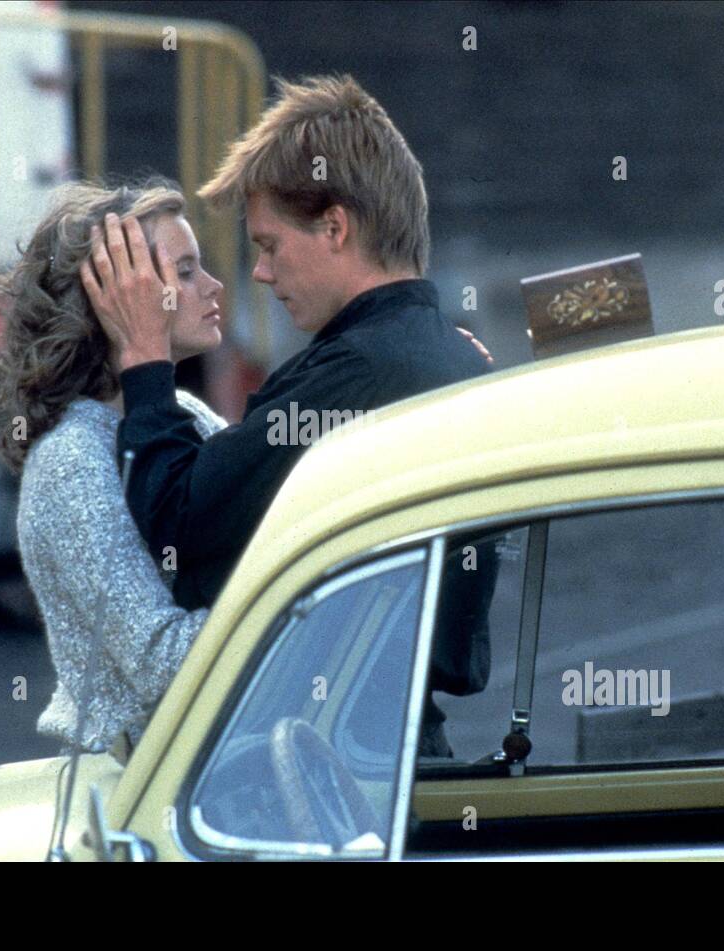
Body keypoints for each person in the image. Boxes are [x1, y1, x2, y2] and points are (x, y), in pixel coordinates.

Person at [81, 74, 497, 756]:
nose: (260, 274)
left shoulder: (360, 373)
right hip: (391, 747)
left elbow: (179, 527)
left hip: (326, 762)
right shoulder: (455, 355)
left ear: (335, 226)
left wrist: (145, 355)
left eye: (269, 245)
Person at [0, 178, 227, 758]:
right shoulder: (70, 461)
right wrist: (308, 614)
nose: (213, 287)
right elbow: (162, 663)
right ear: (113, 296)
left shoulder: (185, 412)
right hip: (124, 800)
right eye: (184, 273)